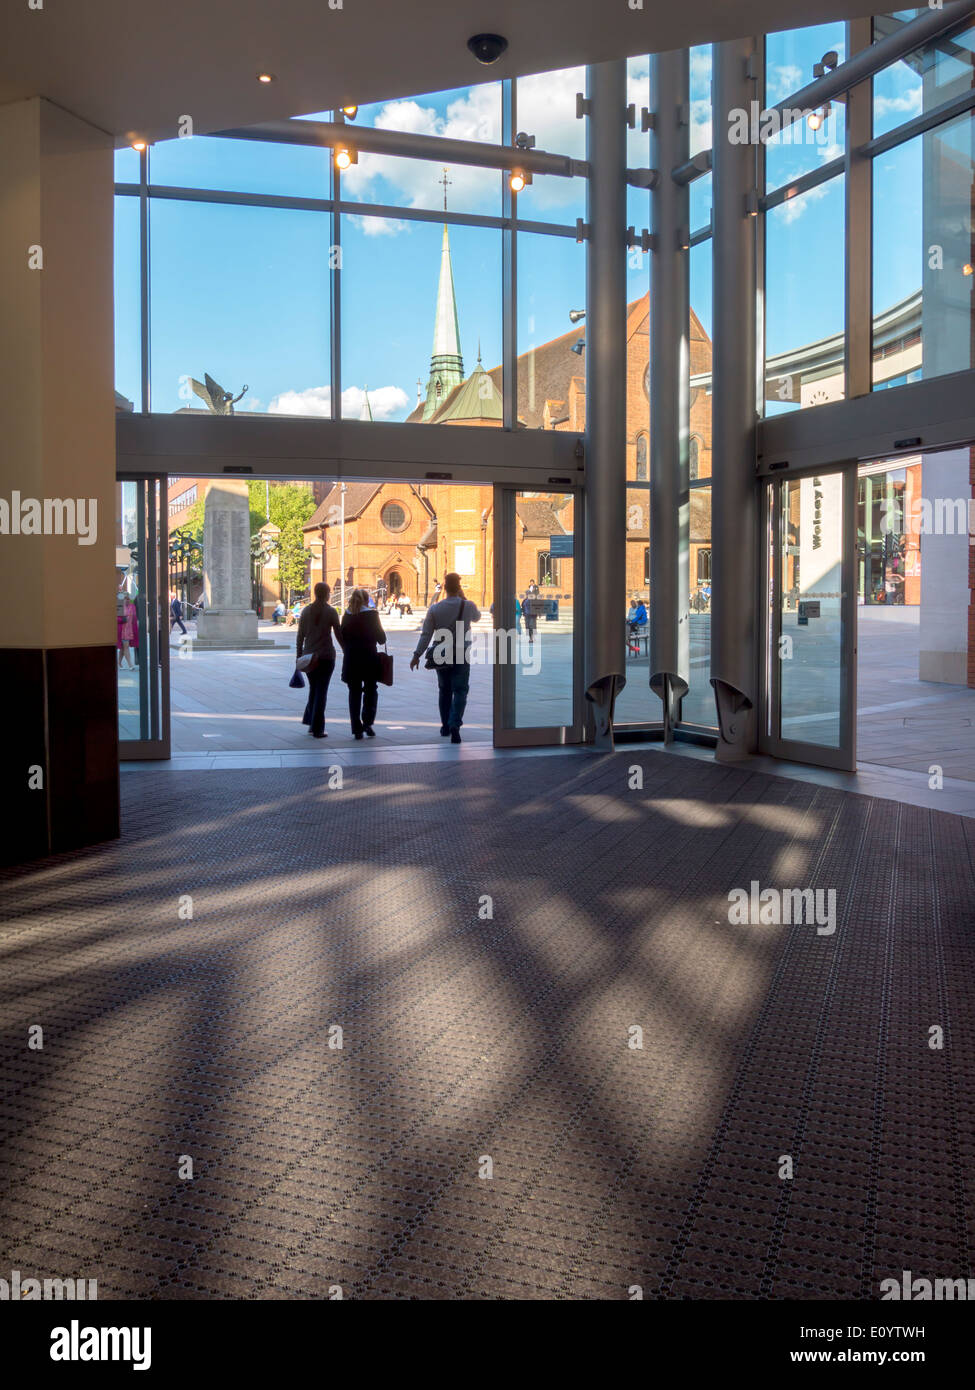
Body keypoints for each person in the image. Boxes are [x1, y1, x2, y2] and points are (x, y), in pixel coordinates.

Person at [409, 572, 480, 744]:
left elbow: (426, 634)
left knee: (444, 690)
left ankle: (445, 726)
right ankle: (455, 723)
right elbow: (477, 617)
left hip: (441, 654)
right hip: (461, 654)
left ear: (444, 588)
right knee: (460, 690)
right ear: (459, 587)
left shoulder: (435, 608)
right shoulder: (467, 605)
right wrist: (463, 598)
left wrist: (417, 654)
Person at [296, 582, 343, 738]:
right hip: (326, 657)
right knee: (321, 692)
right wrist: (346, 650)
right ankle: (317, 728)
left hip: (309, 657)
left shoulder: (305, 611)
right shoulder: (331, 611)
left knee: (314, 689)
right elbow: (338, 633)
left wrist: (299, 655)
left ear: (315, 593)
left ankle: (311, 723)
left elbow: (300, 636)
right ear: (327, 593)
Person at [341, 588, 386, 739]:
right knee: (371, 691)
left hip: (351, 660)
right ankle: (367, 722)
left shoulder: (346, 616)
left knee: (354, 693)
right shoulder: (372, 615)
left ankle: (356, 728)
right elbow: (381, 638)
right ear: (367, 601)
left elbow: (343, 637)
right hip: (369, 660)